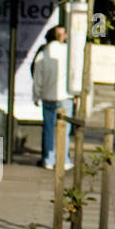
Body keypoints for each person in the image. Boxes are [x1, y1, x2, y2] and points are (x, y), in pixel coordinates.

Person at [31, 26, 73, 170]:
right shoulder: (68, 51)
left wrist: (36, 95)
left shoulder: (43, 54)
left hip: (48, 96)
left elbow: (38, 78)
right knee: (65, 131)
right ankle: (64, 160)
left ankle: (49, 159)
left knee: (49, 129)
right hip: (65, 96)